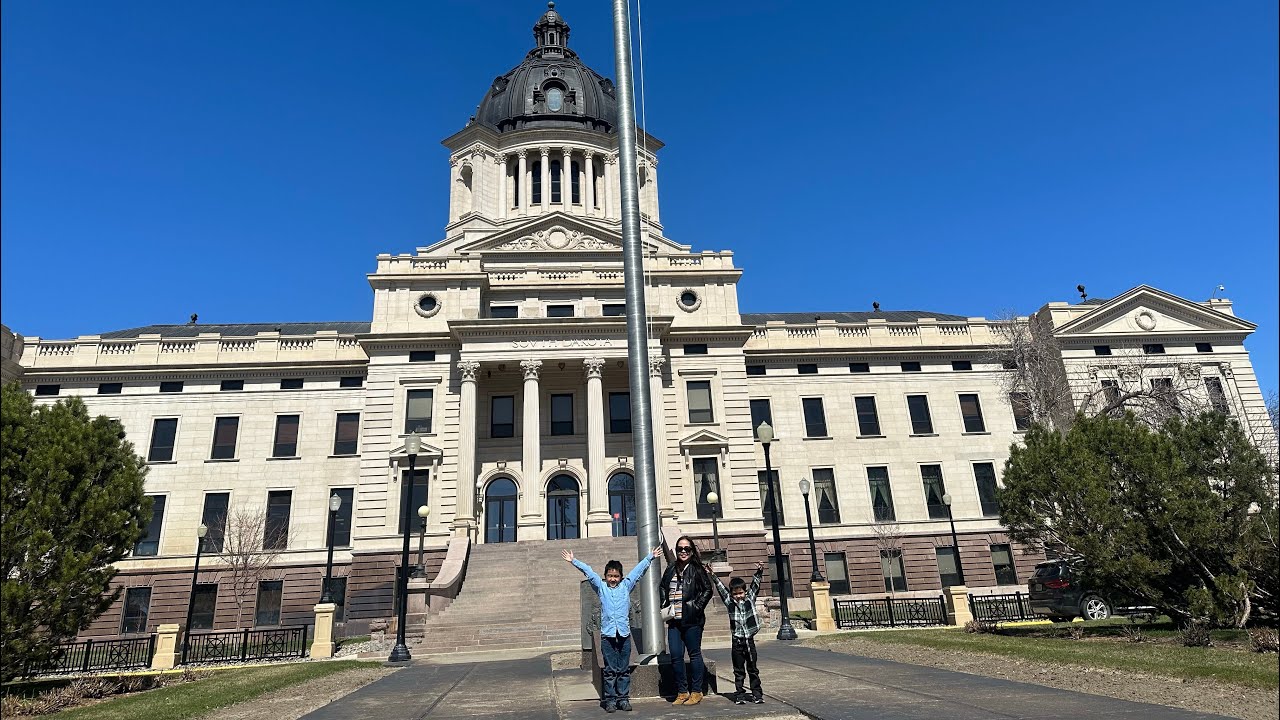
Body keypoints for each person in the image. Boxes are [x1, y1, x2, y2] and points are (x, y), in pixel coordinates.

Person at [564, 546, 663, 714]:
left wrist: (650, 557)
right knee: (610, 671)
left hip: (624, 635)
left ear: (621, 577)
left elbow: (637, 572)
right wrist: (574, 561)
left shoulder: (626, 586)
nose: (613, 579)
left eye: (616, 576)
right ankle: (610, 700)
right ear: (605, 576)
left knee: (624, 669)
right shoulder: (601, 588)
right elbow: (589, 573)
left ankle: (623, 699)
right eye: (610, 576)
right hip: (607, 636)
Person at [659, 536, 712, 705]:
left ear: (692, 551)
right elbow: (662, 586)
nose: (683, 551)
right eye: (680, 549)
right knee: (675, 655)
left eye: (686, 549)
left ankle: (696, 691)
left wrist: (696, 607)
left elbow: (707, 590)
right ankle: (682, 691)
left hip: (692, 620)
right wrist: (664, 603)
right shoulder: (671, 568)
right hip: (674, 620)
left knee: (694, 654)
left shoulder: (697, 569)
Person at [708, 561, 767, 704]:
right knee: (738, 670)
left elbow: (755, 584)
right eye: (735, 594)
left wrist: (759, 571)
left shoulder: (750, 598)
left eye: (740, 593)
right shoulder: (729, 601)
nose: (738, 596)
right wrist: (712, 575)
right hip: (737, 642)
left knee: (753, 669)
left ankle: (757, 694)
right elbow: (721, 587)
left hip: (749, 641)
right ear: (731, 594)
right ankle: (740, 694)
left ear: (745, 592)